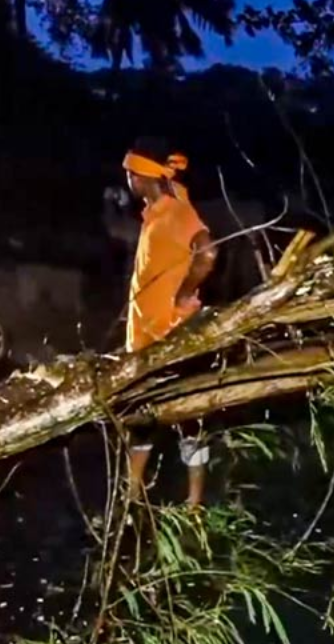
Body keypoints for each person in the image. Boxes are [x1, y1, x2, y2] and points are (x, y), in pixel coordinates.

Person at [122, 138, 217, 506]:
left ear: (142, 176)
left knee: (189, 415)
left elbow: (207, 253)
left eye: (130, 174)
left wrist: (183, 295)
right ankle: (132, 492)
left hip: (173, 333)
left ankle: (193, 504)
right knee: (140, 415)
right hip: (144, 335)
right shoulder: (155, 213)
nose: (127, 181)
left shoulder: (177, 212)